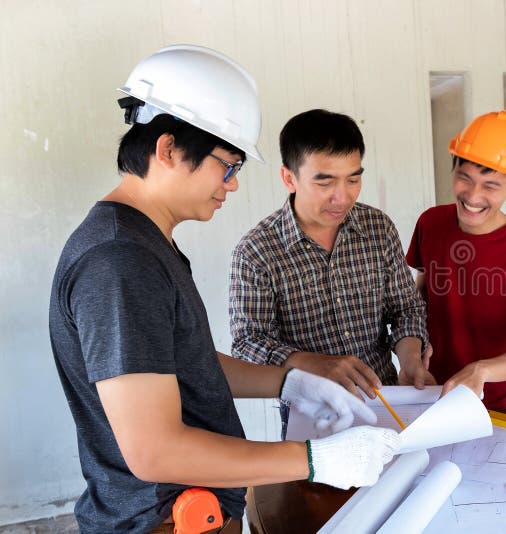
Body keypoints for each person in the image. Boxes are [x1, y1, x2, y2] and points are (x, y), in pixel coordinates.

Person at [49, 45, 399, 534]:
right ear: (168, 149)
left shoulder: (144, 243)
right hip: (165, 520)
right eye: (227, 166)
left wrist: (288, 382)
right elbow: (155, 451)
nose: (232, 185)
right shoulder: (121, 261)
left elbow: (182, 365)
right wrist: (314, 461)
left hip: (198, 509)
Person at [229, 109, 434, 400]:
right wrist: (316, 363)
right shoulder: (257, 252)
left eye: (353, 180)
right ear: (289, 178)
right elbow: (248, 344)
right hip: (312, 409)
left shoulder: (378, 228)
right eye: (325, 183)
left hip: (386, 400)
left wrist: (411, 360)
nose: (343, 197)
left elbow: (406, 309)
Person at [406, 110, 506, 410]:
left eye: (490, 186)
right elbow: (420, 296)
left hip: (485, 404)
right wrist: (415, 345)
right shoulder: (430, 223)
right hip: (424, 390)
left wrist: (481, 371)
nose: (473, 196)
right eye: (465, 178)